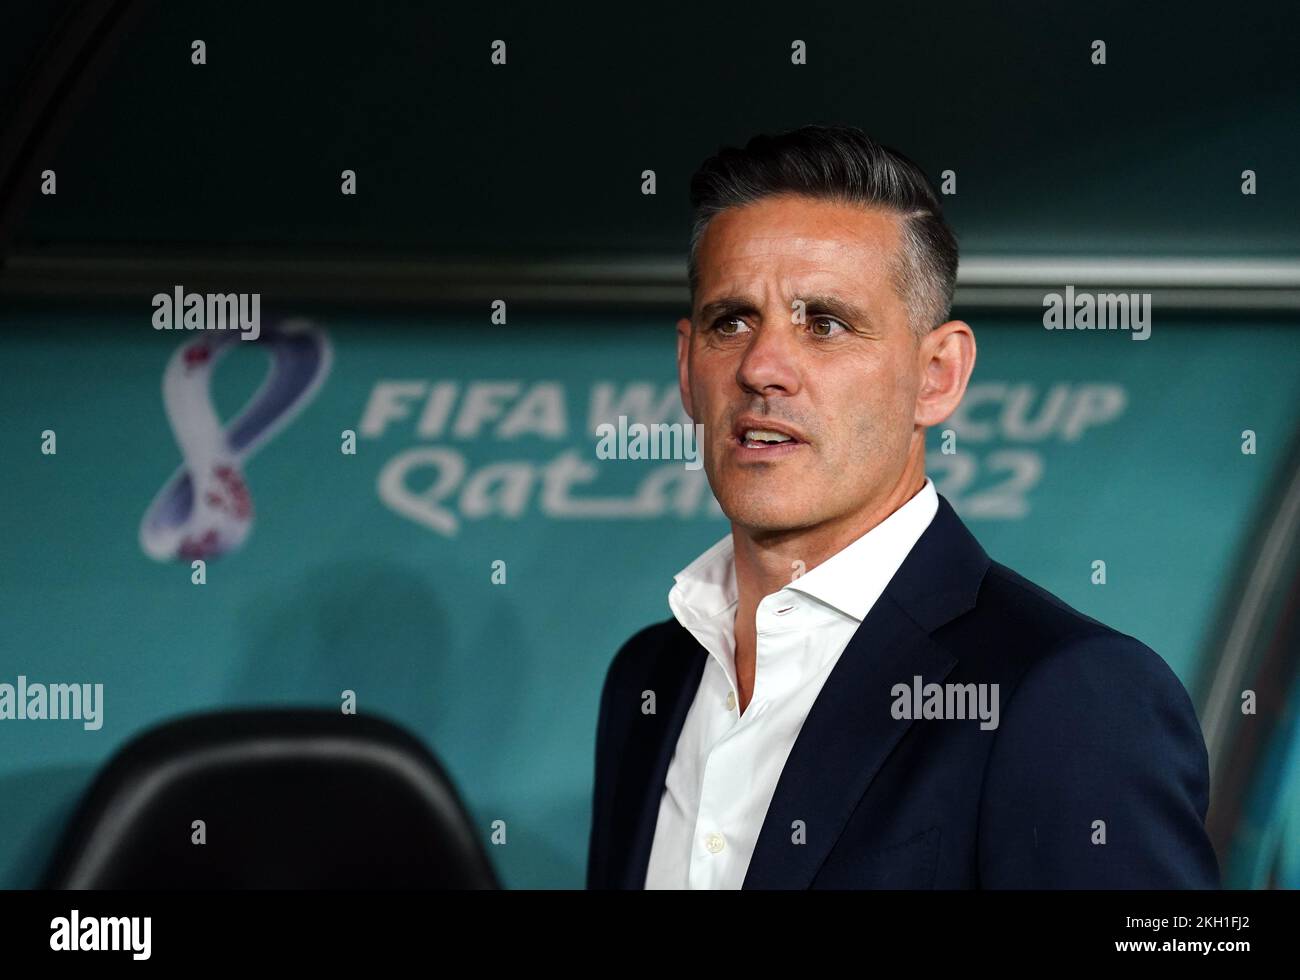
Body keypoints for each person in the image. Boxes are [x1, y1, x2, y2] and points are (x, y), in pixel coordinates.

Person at [586, 124, 1220, 889]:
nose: (762, 367)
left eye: (824, 323)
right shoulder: (648, 675)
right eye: (732, 321)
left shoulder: (1070, 694)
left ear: (937, 376)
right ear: (688, 368)